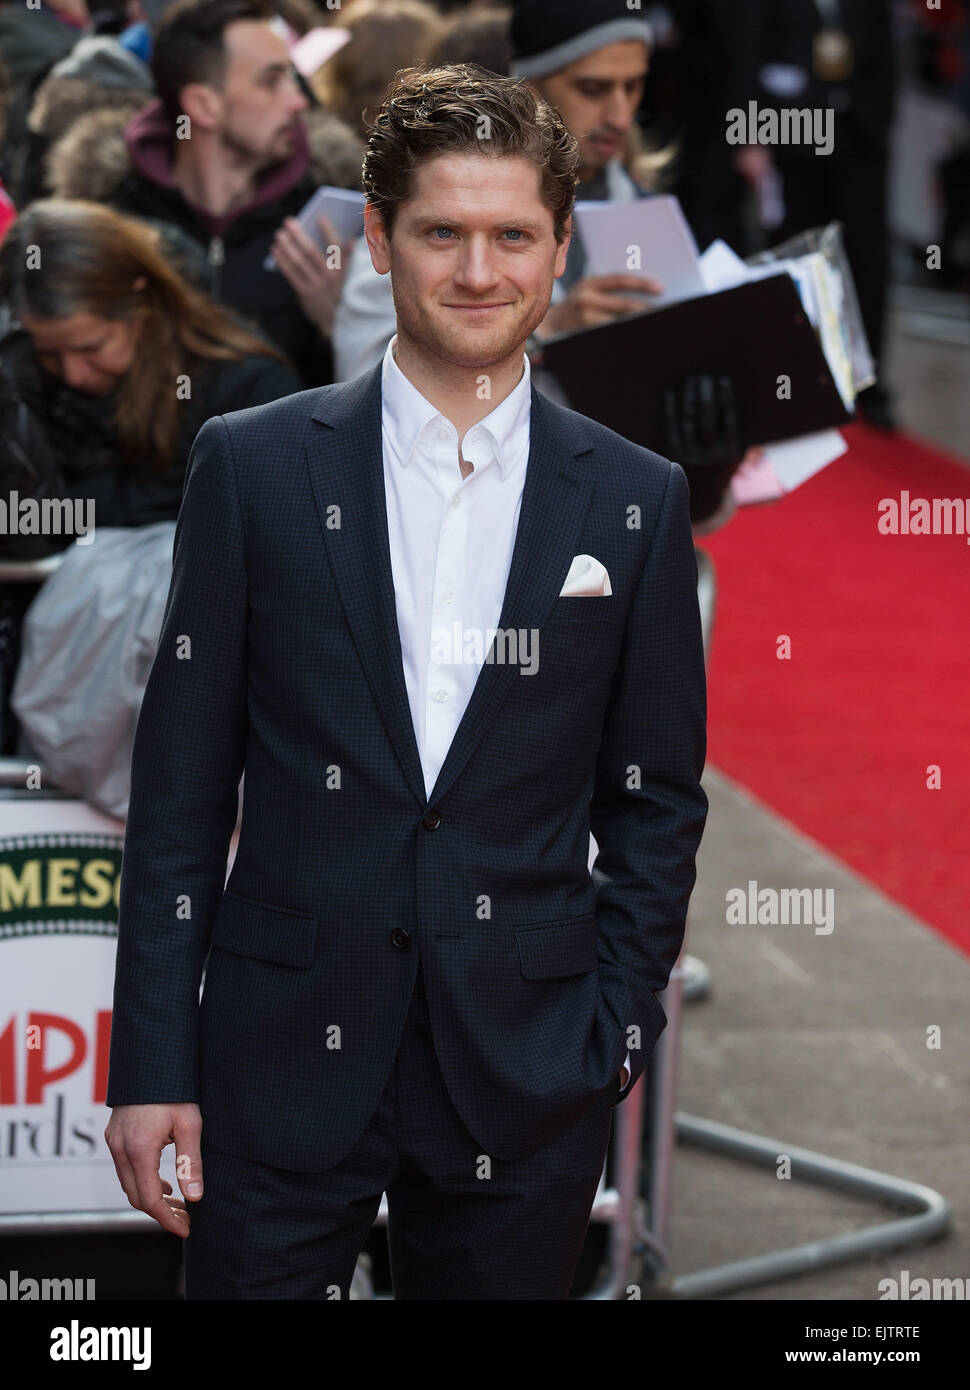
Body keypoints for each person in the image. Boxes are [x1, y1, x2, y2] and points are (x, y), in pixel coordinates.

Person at [104, 61, 709, 1300]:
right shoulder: (254, 465)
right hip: (274, 1058)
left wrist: (613, 1030)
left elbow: (654, 800)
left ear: (558, 249)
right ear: (378, 240)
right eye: (442, 232)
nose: (478, 272)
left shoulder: (635, 499)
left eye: (511, 236)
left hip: (529, 1059)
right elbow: (176, 789)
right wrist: (152, 1060)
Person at [332, 0, 667, 379]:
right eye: (592, 89)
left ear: (563, 235)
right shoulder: (427, 190)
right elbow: (364, 381)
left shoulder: (649, 214)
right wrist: (551, 329)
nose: (620, 116)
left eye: (634, 86)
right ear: (530, 88)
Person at [0, 197, 303, 554]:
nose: (73, 374)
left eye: (91, 348)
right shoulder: (19, 379)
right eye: (49, 354)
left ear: (140, 302)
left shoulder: (246, 388)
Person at [107, 0, 354, 387]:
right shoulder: (118, 224)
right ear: (202, 106)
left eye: (292, 77)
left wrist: (341, 324)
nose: (299, 101)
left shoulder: (329, 219)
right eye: (271, 81)